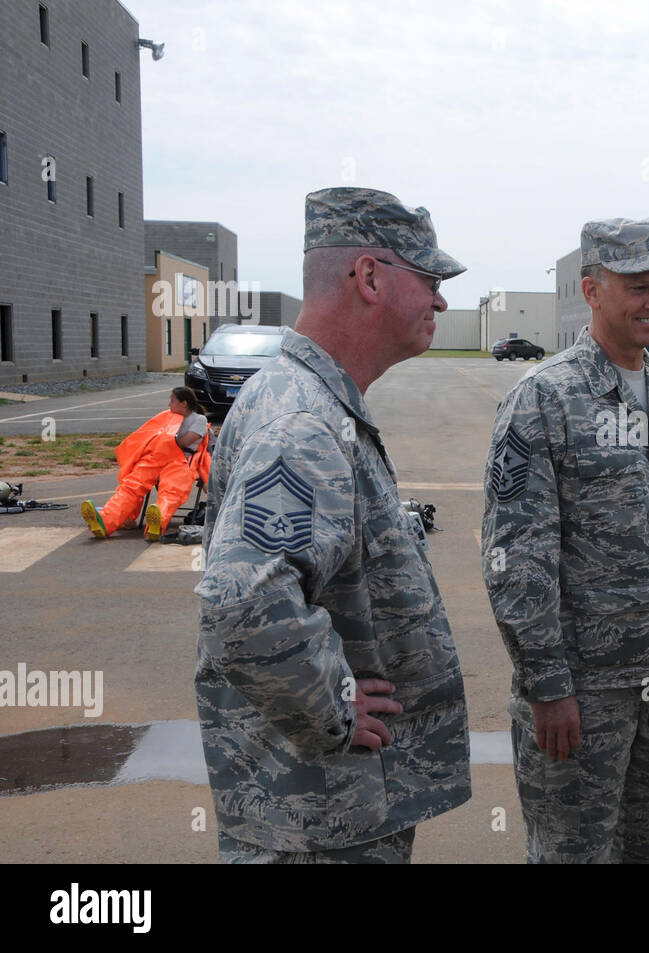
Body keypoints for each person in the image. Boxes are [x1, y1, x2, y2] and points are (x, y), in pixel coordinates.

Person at [194, 187, 471, 863]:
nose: (439, 300)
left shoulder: (311, 401)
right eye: (429, 280)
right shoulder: (304, 422)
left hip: (329, 810)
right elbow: (242, 600)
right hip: (317, 823)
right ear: (371, 277)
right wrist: (334, 704)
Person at [481, 217, 649, 864]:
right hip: (583, 692)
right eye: (636, 288)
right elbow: (516, 558)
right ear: (592, 291)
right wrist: (545, 682)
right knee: (576, 848)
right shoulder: (544, 401)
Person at [80, 386, 211, 541]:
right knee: (131, 486)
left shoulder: (199, 420)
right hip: (155, 457)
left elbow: (184, 442)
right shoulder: (166, 417)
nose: (169, 405)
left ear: (184, 404)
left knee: (172, 490)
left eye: (172, 401)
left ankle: (157, 522)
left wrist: (165, 437)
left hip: (181, 460)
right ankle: (104, 520)